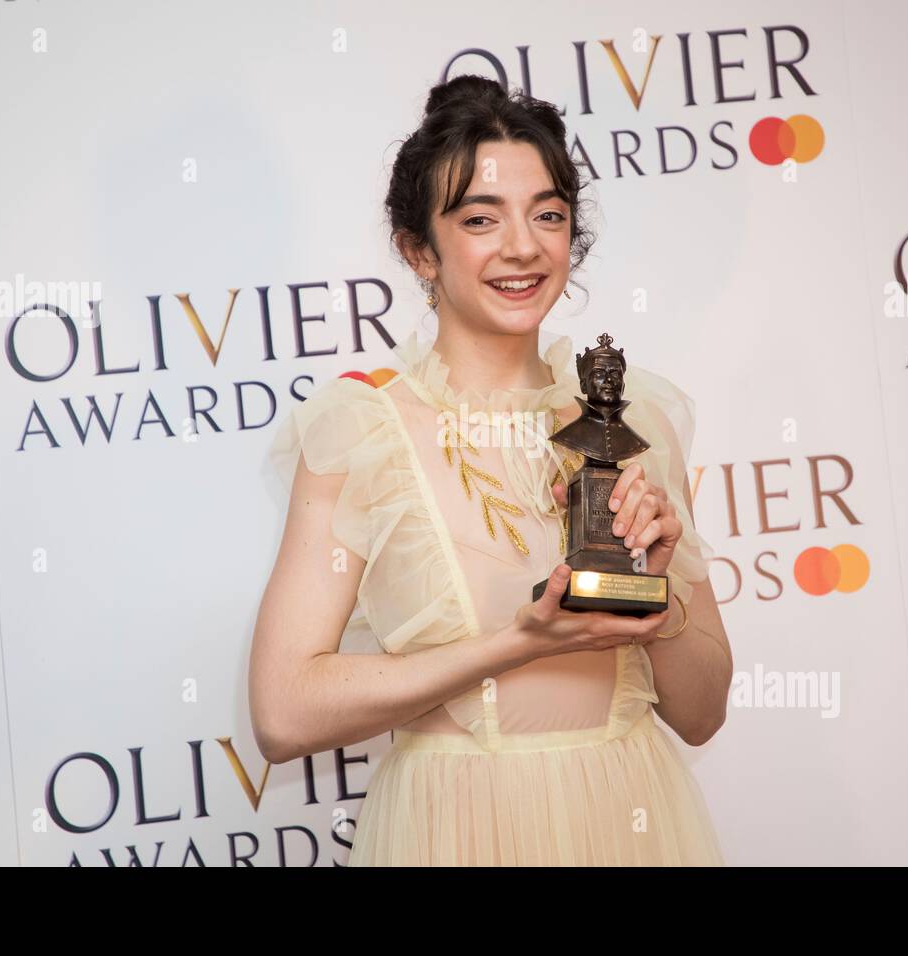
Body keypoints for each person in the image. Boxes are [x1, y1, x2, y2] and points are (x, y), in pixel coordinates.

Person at [249, 75, 733, 866]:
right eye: (481, 218)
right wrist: (521, 642)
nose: (523, 246)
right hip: (455, 831)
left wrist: (664, 585)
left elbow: (704, 712)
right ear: (418, 251)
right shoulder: (362, 428)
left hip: (634, 819)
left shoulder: (634, 417)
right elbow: (283, 713)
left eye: (548, 215)